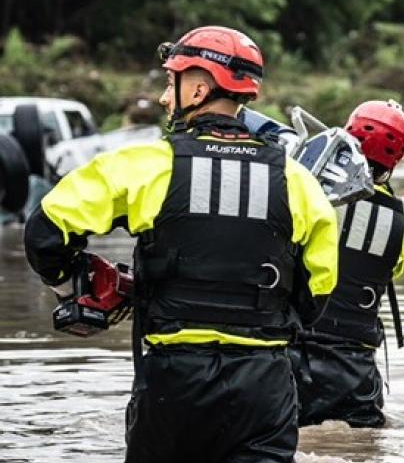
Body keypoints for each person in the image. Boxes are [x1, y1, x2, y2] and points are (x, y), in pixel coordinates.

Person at [23, 25, 339, 462]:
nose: (162, 98)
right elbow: (318, 290)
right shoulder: (298, 181)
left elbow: (44, 233)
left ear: (198, 89)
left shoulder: (146, 165)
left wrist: (73, 283)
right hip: (263, 387)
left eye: (169, 83)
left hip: (175, 383)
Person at [290, 99, 404, 428]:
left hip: (294, 357)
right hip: (356, 370)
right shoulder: (403, 220)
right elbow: (393, 268)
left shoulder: (307, 191)